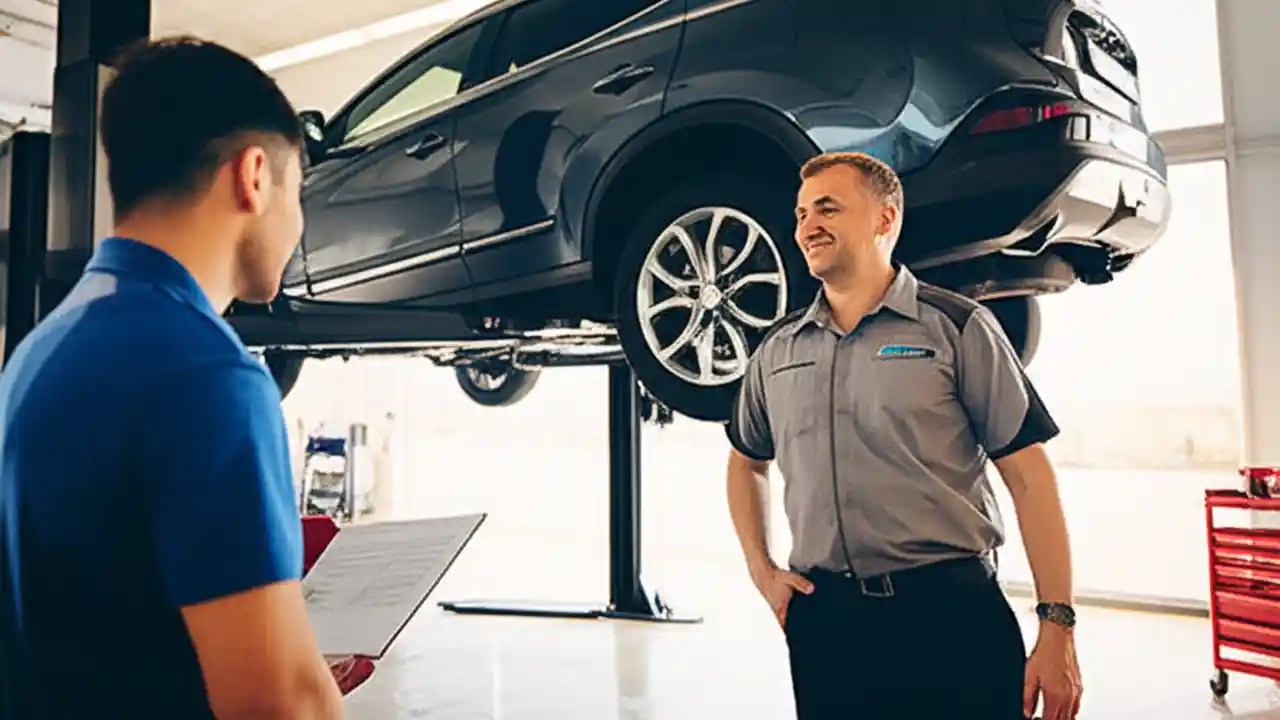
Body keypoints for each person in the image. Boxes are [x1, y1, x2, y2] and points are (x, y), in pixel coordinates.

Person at [0, 37, 345, 719]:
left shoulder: (44, 348)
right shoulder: (205, 373)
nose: (299, 224)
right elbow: (276, 707)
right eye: (297, 192)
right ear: (253, 176)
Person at [724, 151, 1083, 719]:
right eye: (799, 214)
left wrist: (1057, 624)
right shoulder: (777, 349)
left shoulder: (957, 327)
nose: (807, 226)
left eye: (828, 208)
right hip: (828, 626)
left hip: (952, 616)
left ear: (885, 219)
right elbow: (746, 461)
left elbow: (1029, 476)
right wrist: (762, 571)